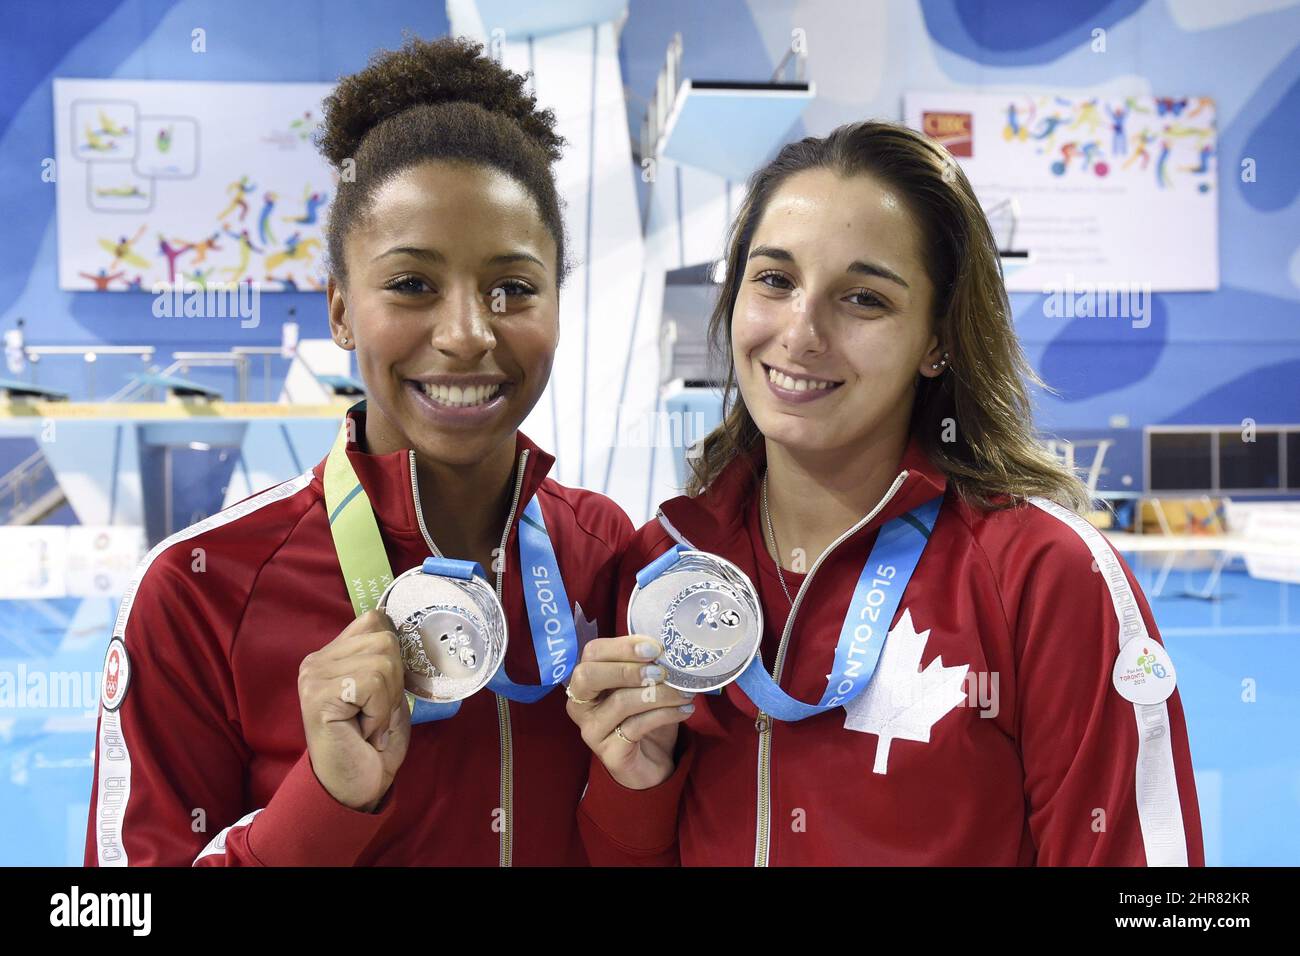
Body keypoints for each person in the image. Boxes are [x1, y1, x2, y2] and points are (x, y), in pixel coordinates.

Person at [567, 120, 1204, 866]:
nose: (801, 333)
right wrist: (638, 784)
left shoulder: (1044, 576)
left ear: (938, 340)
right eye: (774, 280)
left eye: (863, 299)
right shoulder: (671, 570)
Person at [84, 36, 634, 867]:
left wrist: (645, 789)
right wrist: (324, 804)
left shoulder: (605, 555)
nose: (466, 333)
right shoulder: (198, 590)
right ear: (340, 309)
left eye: (514, 289)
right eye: (412, 284)